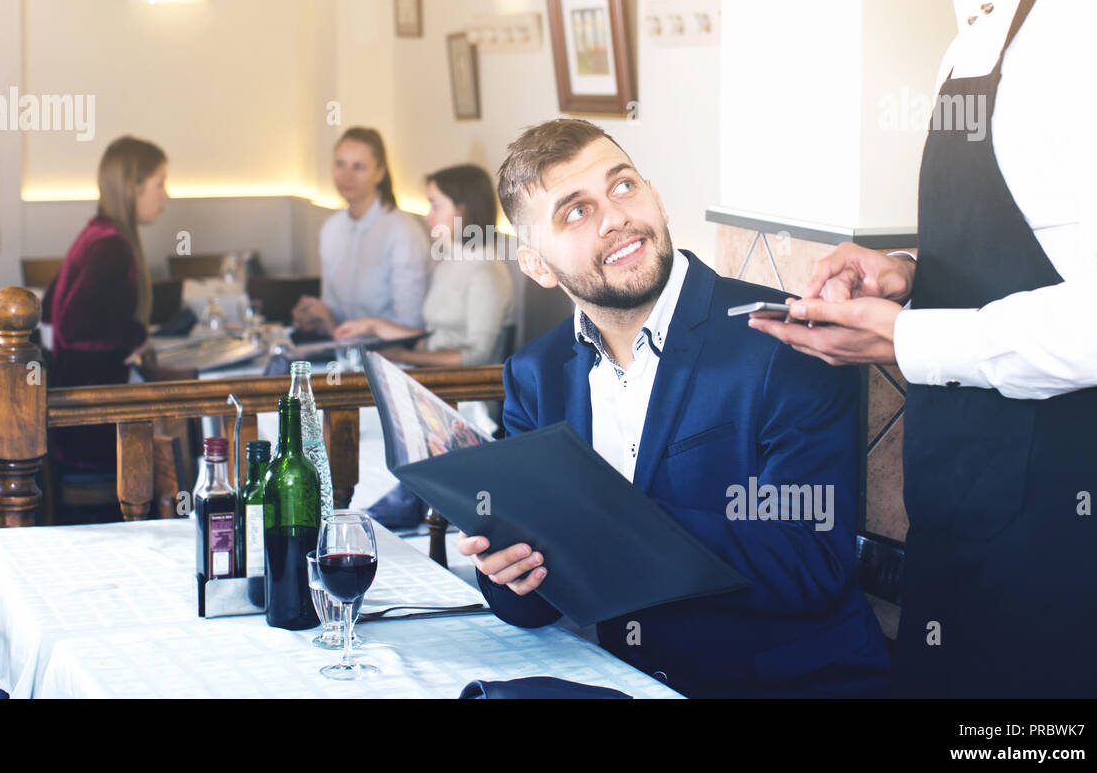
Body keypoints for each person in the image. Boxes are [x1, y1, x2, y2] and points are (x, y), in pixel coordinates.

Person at [748, 0, 1097, 697]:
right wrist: (914, 276)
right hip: (968, 521)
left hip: (1070, 542)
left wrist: (903, 337)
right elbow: (1048, 248)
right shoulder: (981, 18)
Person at [459, 118, 890, 698]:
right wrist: (509, 573)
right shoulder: (534, 374)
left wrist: (604, 522)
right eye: (576, 212)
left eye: (622, 186)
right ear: (536, 264)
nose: (615, 217)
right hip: (621, 679)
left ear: (655, 197)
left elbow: (808, 563)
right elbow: (530, 609)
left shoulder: (785, 342)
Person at [334, 164, 515, 528]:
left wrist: (403, 356)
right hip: (430, 376)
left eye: (435, 205)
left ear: (462, 210)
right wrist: (377, 327)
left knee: (362, 410)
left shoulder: (486, 271)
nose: (427, 214)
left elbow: (477, 355)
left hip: (464, 395)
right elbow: (432, 333)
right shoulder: (451, 260)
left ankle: (386, 501)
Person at [43, 136, 168, 474]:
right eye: (160, 184)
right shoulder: (110, 246)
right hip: (91, 424)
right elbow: (73, 327)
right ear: (133, 188)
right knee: (179, 438)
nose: (166, 195)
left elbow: (49, 305)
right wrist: (135, 334)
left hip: (74, 412)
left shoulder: (96, 233)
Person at [292, 127, 429, 336]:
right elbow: (334, 312)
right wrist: (315, 314)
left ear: (379, 173)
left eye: (358, 167)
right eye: (340, 164)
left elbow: (411, 326)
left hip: (390, 358)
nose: (346, 176)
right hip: (341, 352)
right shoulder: (331, 228)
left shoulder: (402, 231)